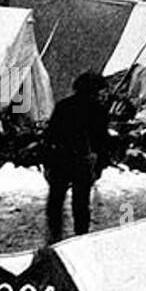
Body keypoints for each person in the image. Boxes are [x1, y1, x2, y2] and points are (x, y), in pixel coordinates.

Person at [43, 72, 111, 242]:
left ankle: (54, 235)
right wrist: (99, 164)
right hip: (83, 161)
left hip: (61, 159)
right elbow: (102, 141)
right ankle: (81, 236)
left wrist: (47, 163)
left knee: (56, 200)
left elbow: (50, 136)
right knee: (81, 202)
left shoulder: (63, 106)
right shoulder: (98, 111)